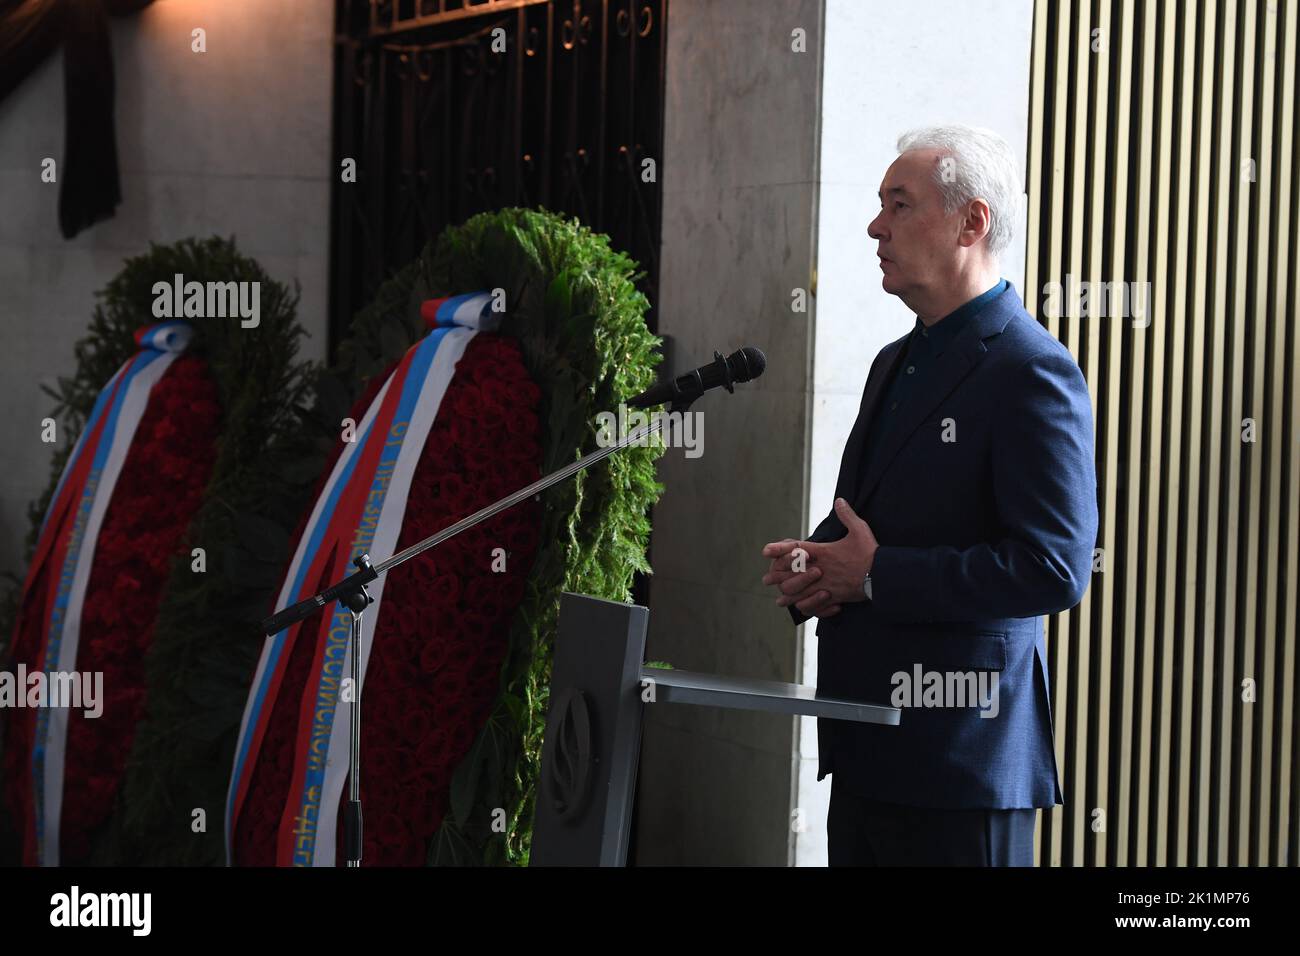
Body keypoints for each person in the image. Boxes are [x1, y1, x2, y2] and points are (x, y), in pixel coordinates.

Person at [761, 125, 1098, 866]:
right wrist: (818, 564)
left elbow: (1053, 569)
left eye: (899, 204)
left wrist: (876, 576)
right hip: (864, 749)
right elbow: (866, 520)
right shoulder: (894, 360)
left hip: (963, 765)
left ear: (970, 223)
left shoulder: (1031, 370)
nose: (875, 225)